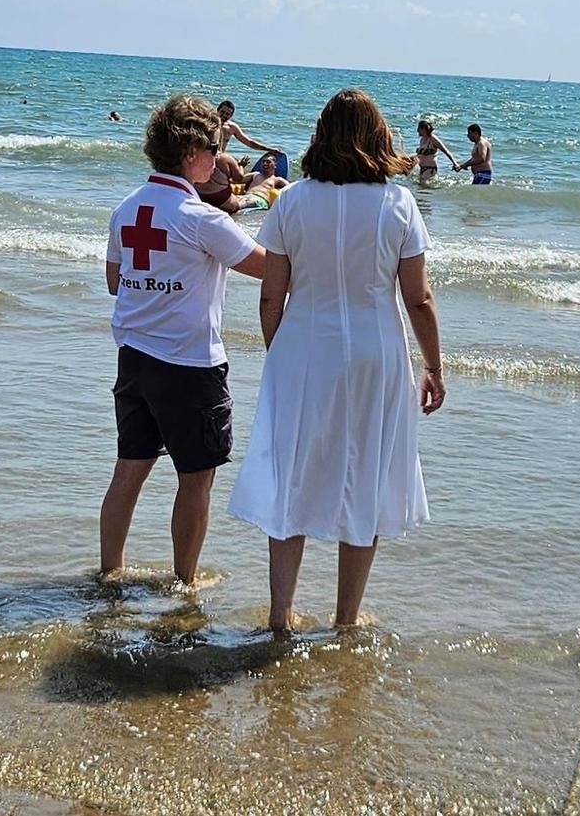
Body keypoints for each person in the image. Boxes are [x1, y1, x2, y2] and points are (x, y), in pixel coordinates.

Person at [228, 88, 443, 634]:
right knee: (363, 471)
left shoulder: (293, 200)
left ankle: (281, 614)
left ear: (320, 135)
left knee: (293, 472)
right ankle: (346, 617)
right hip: (377, 351)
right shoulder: (398, 203)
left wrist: (280, 353)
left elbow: (271, 295)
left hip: (303, 345)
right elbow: (417, 298)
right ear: (380, 137)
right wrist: (434, 366)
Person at [98, 94, 268, 585]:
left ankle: (111, 572)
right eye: (212, 149)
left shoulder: (126, 209)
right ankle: (185, 582)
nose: (217, 160)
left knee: (129, 469)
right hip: (190, 364)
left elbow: (116, 281)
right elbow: (267, 269)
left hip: (133, 359)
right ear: (191, 152)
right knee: (196, 478)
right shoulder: (201, 218)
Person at [215, 100, 280, 156]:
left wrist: (269, 149)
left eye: (227, 114)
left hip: (220, 157)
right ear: (218, 110)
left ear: (231, 116)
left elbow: (249, 142)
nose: (224, 115)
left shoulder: (232, 127)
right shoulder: (208, 124)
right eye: (222, 112)